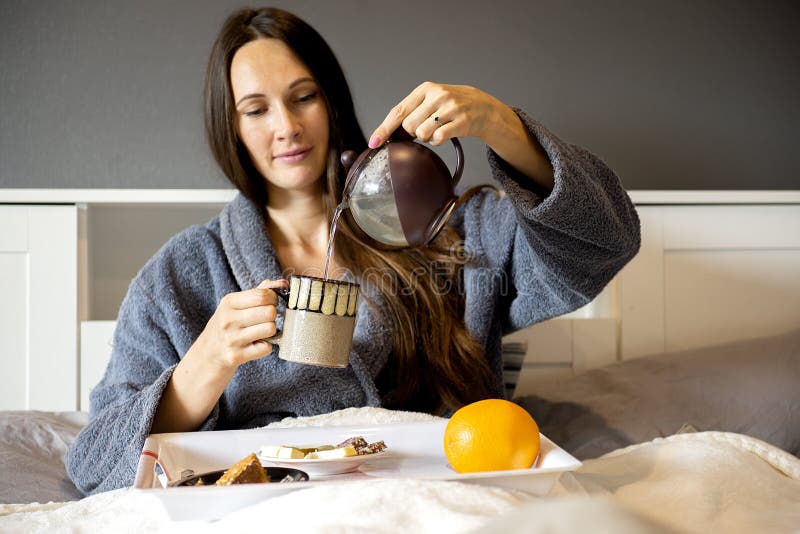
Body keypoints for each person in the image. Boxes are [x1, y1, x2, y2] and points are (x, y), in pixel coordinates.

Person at [66, 6, 640, 495]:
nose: (286, 126)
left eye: (303, 97)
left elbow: (604, 241)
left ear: (332, 103)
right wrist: (201, 370)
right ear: (232, 128)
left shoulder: (439, 226)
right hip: (274, 512)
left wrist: (501, 124)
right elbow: (95, 464)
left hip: (441, 502)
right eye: (256, 109)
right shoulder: (181, 276)